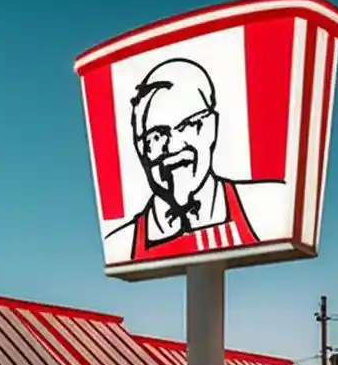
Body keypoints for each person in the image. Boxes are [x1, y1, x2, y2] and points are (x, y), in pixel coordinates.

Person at [103, 58, 277, 263]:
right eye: (157, 136)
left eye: (189, 124)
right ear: (141, 149)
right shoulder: (122, 243)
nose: (174, 146)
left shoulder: (264, 210)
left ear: (212, 127)